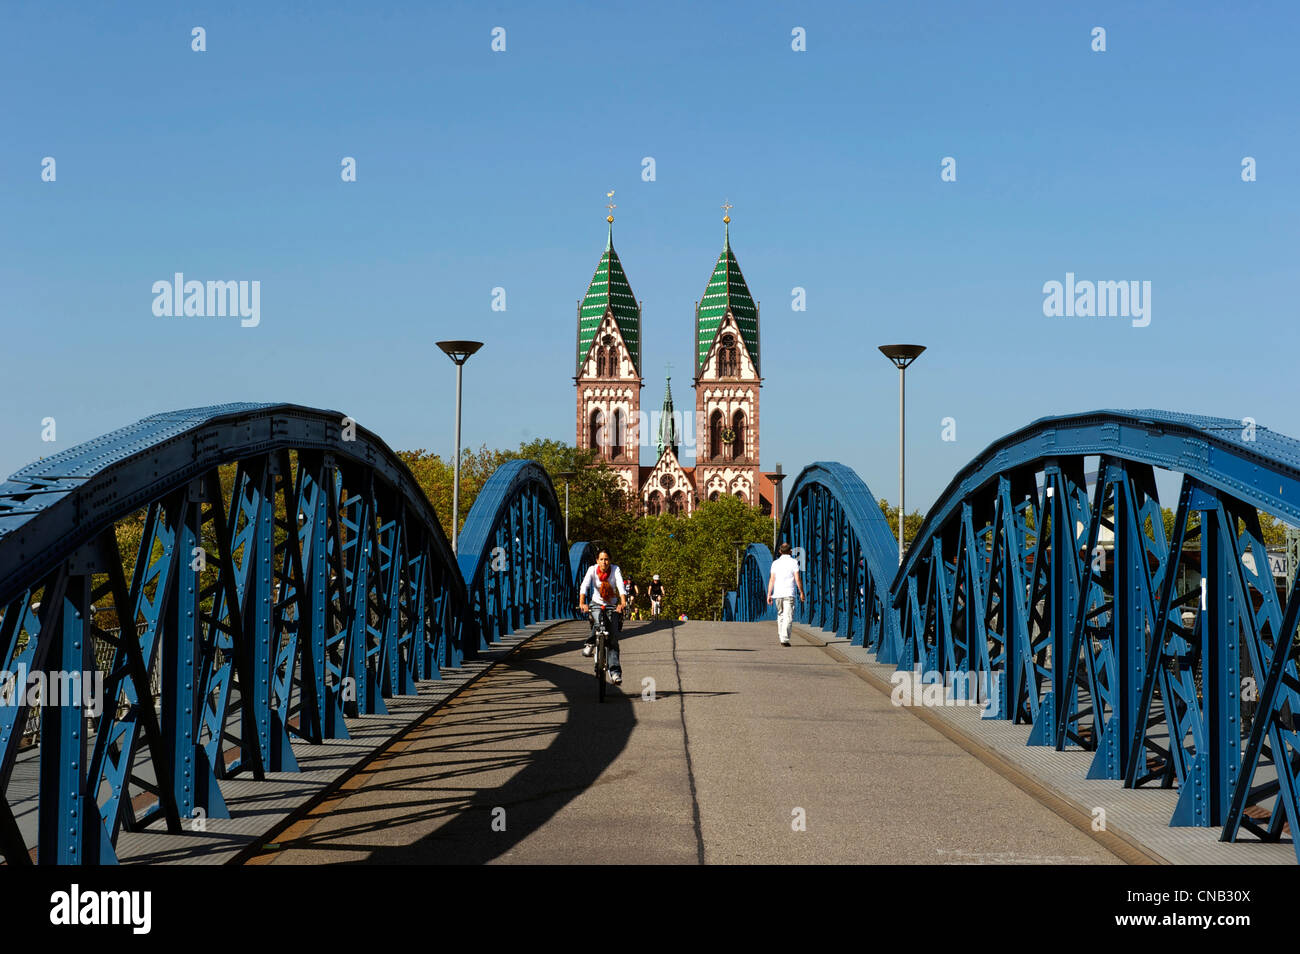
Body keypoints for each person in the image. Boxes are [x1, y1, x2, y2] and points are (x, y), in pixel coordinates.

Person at [577, 549, 627, 684]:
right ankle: (591, 642)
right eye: (601, 559)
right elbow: (584, 586)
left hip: (612, 605)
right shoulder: (592, 570)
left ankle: (615, 672)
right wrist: (582, 603)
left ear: (610, 561)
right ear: (597, 561)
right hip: (597, 604)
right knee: (598, 621)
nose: (604, 562)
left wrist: (622, 602)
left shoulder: (615, 570)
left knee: (613, 639)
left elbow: (620, 586)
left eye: (606, 559)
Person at [766, 541, 805, 646]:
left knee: (781, 615)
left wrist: (769, 594)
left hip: (777, 594)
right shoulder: (793, 562)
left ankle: (781, 635)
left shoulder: (775, 563)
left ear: (779, 551)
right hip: (789, 593)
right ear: (790, 551)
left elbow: (772, 579)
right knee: (788, 616)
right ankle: (784, 638)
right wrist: (801, 592)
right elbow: (797, 578)